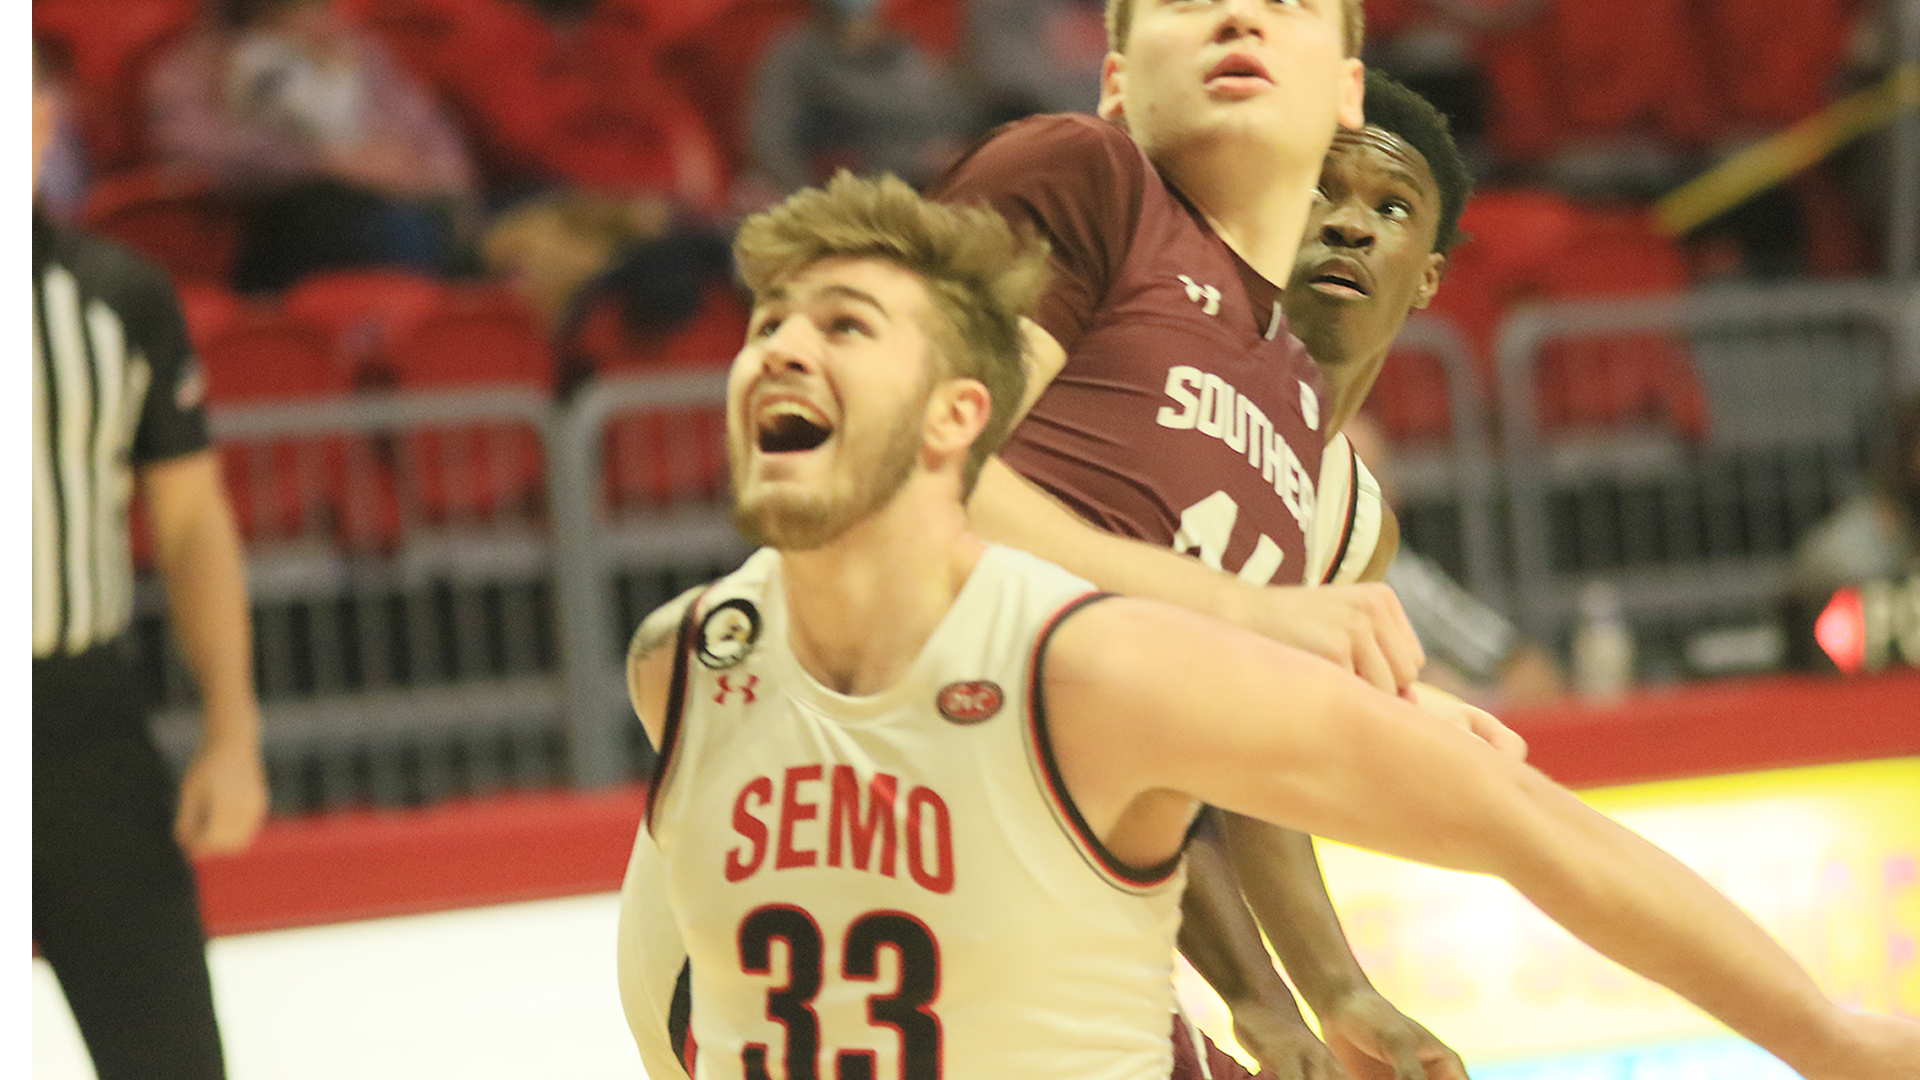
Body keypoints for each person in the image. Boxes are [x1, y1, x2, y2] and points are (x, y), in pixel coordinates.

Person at [626, 172, 1920, 1080]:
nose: (780, 351)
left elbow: (1521, 824)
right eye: (766, 325)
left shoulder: (1097, 665)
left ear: (961, 414)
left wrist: (1829, 1038)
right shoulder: (684, 660)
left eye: (843, 327)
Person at [34, 45, 270, 1080]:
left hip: (79, 723)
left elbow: (190, 524)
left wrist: (233, 732)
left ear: (46, 124)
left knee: (170, 1056)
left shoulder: (117, 295)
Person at [1282, 72, 1565, 708]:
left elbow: (1534, 676)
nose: (1351, 226)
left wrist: (1440, 697)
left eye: (1390, 208)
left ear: (1428, 280)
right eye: (1321, 192)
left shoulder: (1389, 567)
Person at [146, 0, 478, 291]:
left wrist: (423, 175)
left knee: (451, 228)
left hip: (400, 204)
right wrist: (324, 162)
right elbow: (195, 153)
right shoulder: (199, 66)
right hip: (280, 222)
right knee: (400, 231)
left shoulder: (358, 52)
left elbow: (435, 139)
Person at [739, 0, 981, 202]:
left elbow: (953, 110)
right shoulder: (795, 55)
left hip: (935, 189)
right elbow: (770, 142)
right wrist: (812, 200)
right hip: (852, 194)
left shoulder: (903, 48)